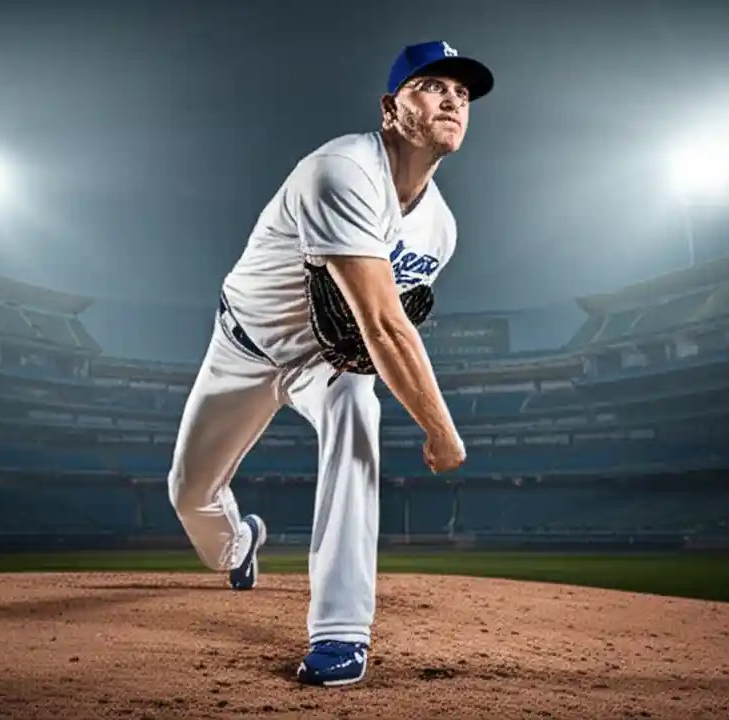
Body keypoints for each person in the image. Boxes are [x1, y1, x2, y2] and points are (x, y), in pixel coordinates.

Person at [167, 40, 493, 687]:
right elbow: (384, 324)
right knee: (189, 493)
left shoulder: (441, 230)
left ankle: (341, 631)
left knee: (356, 407)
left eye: (462, 93)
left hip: (326, 361)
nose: (453, 100)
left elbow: (378, 328)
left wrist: (379, 361)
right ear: (390, 108)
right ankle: (239, 544)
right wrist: (442, 430)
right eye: (432, 86)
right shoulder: (340, 170)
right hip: (244, 347)